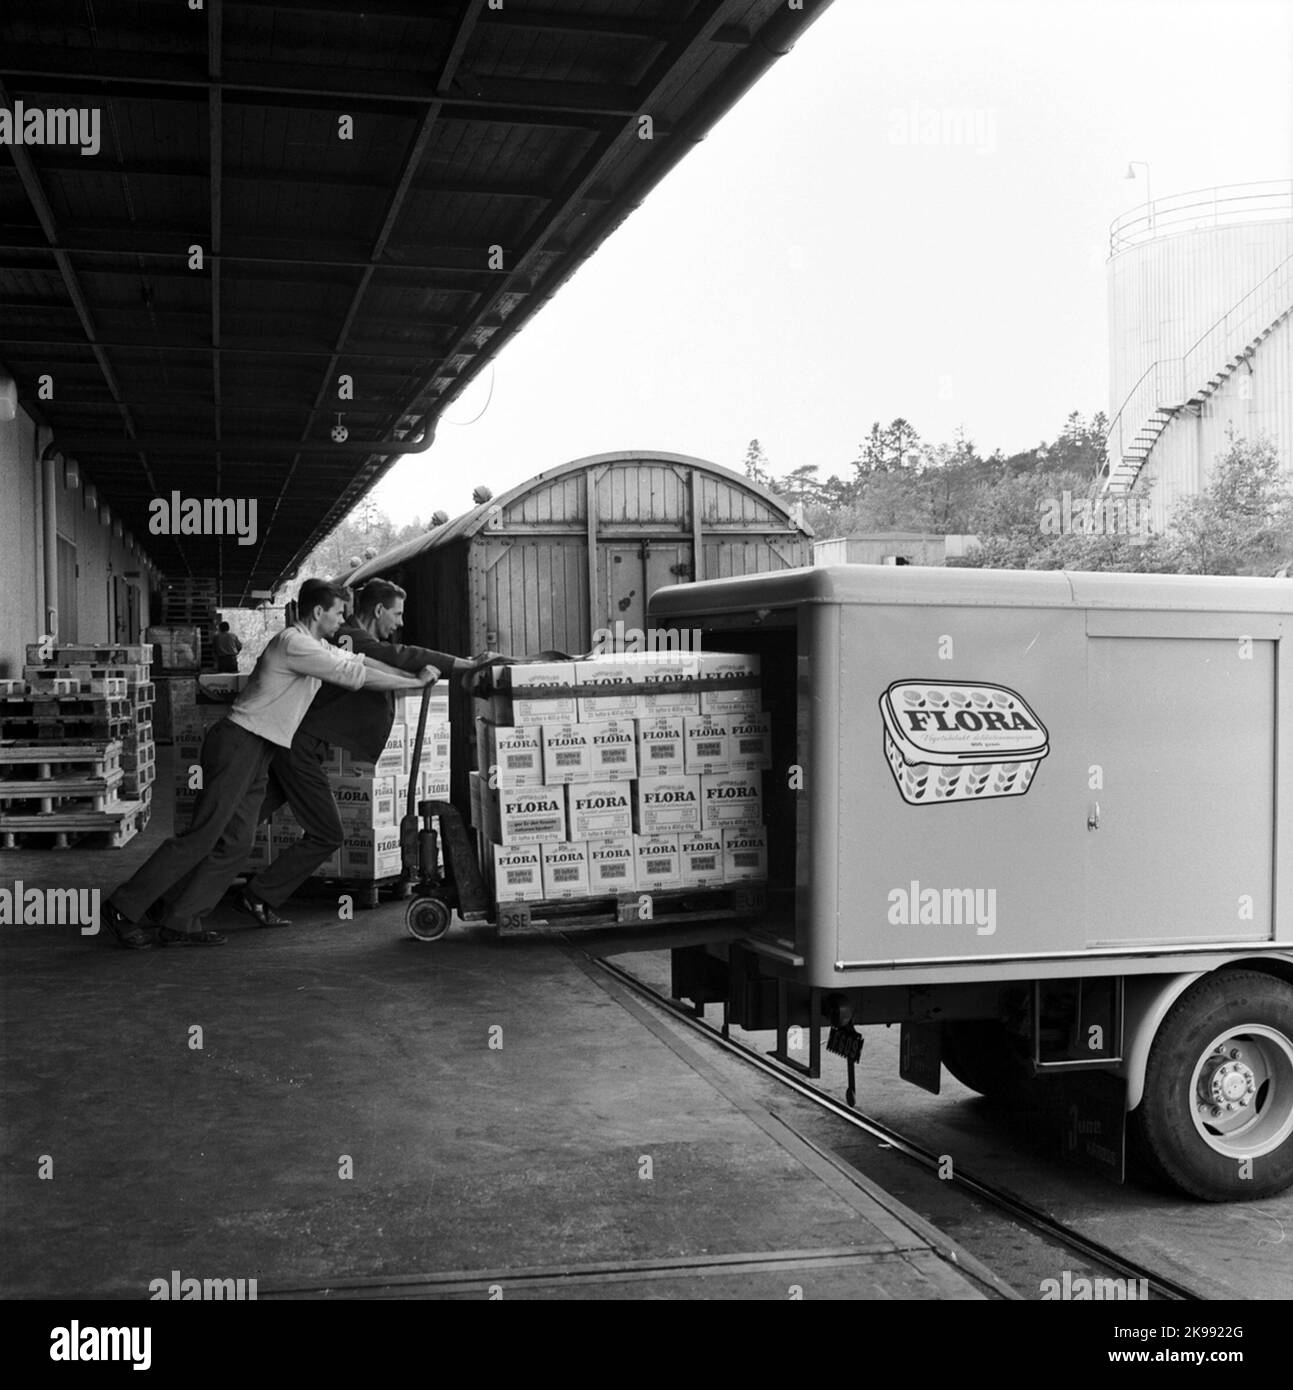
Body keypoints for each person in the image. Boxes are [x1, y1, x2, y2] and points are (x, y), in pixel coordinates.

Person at [101, 579, 436, 950]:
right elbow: (355, 675)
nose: (343, 621)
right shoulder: (294, 643)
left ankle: (181, 921)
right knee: (202, 837)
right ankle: (122, 907)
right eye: (339, 613)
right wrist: (414, 683)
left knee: (236, 844)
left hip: (262, 748)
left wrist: (412, 676)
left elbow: (360, 661)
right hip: (238, 742)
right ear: (318, 612)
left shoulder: (316, 645)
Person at [235, 579, 496, 923]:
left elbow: (391, 662)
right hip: (298, 747)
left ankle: (200, 880)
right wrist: (463, 664)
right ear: (378, 610)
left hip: (302, 747)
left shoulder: (349, 641)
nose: (400, 623)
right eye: (397, 614)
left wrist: (418, 676)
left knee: (242, 820)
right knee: (328, 832)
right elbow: (396, 657)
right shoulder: (347, 636)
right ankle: (258, 894)